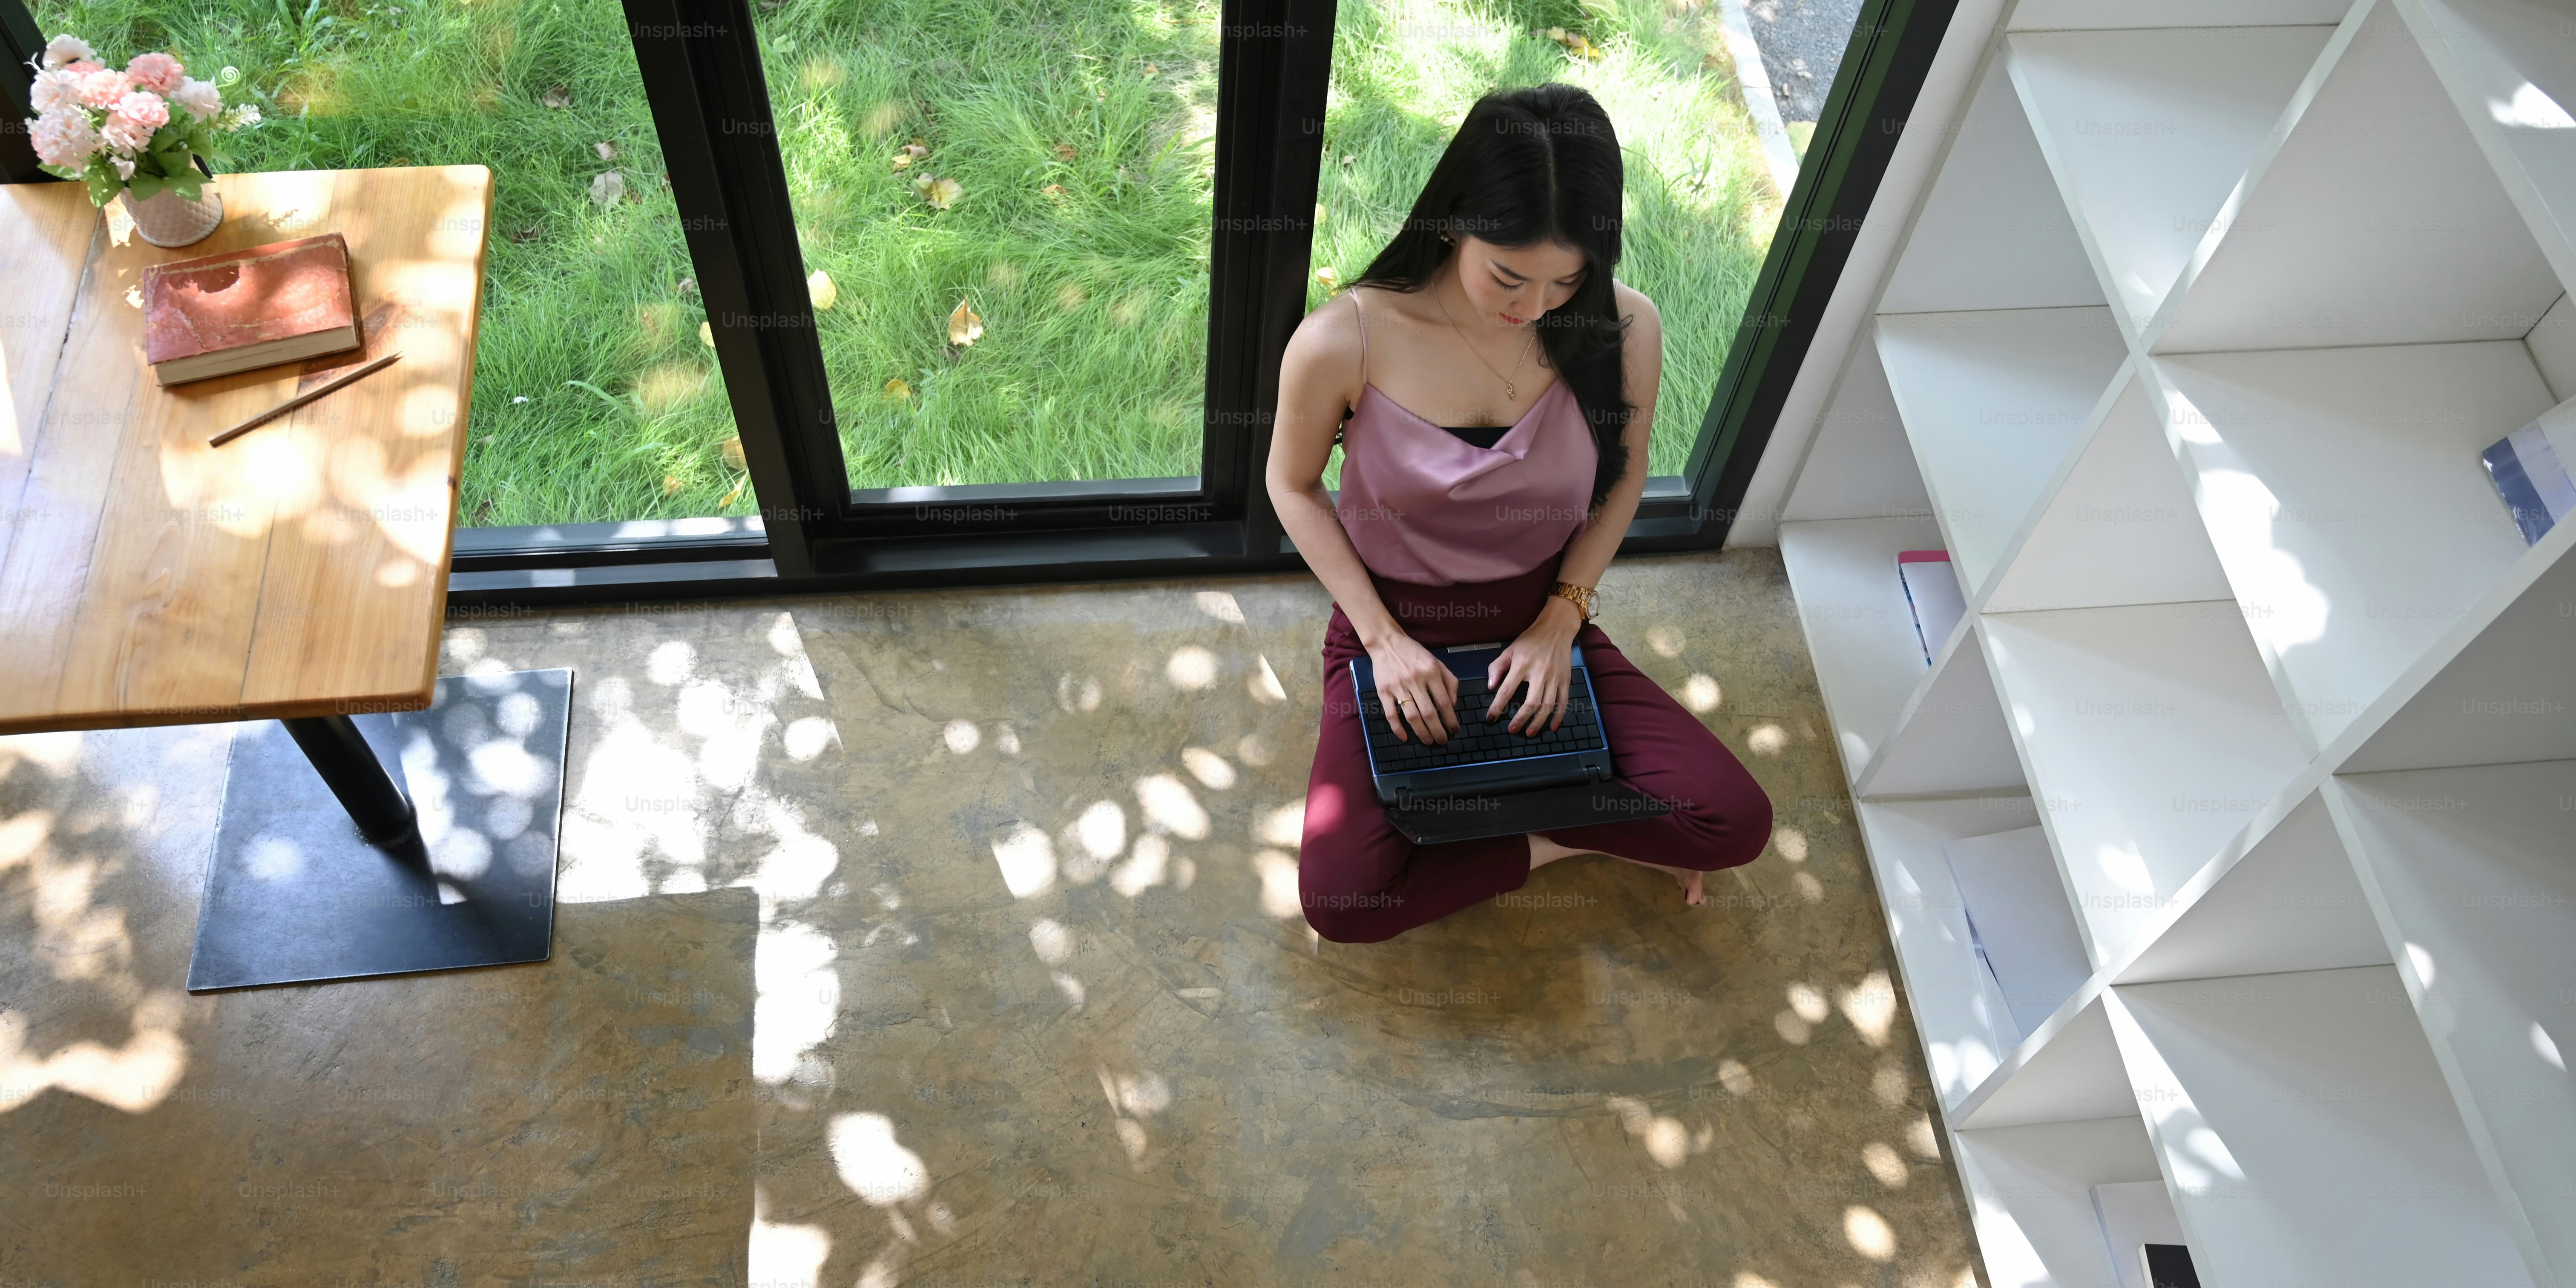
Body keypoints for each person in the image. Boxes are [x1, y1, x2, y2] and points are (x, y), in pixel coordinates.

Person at [1266, 83, 1774, 944]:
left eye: (1567, 279)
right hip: (1394, 623)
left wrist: (1560, 618)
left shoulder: (1625, 326)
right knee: (1343, 904)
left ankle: (1524, 823)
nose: (1534, 307)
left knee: (1733, 822)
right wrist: (1384, 643)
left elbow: (1623, 478)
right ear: (1453, 221)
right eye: (1508, 276)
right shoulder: (1346, 339)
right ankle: (1560, 835)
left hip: (1542, 616)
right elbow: (1293, 486)